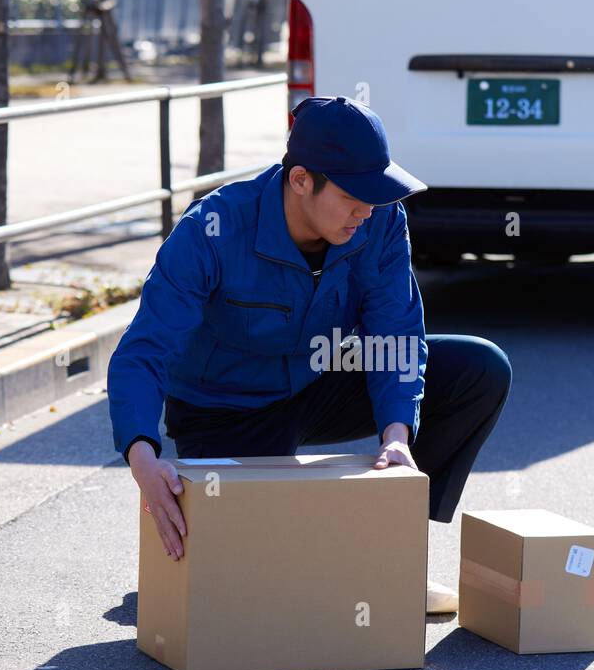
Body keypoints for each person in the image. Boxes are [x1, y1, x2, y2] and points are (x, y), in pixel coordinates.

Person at [107, 95, 511, 614]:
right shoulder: (214, 228)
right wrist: (142, 454)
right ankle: (245, 550)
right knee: (253, 590)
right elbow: (144, 350)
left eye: (376, 194)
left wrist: (396, 435)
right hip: (226, 412)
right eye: (352, 195)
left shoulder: (379, 220)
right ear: (301, 179)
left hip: (320, 383)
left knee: (479, 369)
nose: (365, 210)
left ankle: (399, 558)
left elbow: (397, 333)